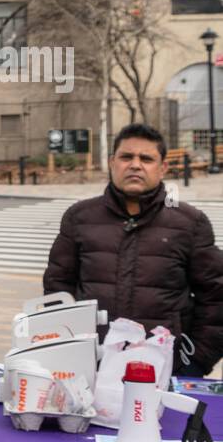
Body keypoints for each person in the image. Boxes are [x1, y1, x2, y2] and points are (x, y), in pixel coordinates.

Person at [44, 122, 223, 376]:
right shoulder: (79, 218)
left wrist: (194, 362)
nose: (135, 165)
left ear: (163, 168)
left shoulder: (190, 223)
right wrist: (67, 350)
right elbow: (57, 289)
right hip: (91, 367)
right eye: (126, 156)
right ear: (111, 162)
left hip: (163, 370)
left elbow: (216, 299)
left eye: (146, 158)